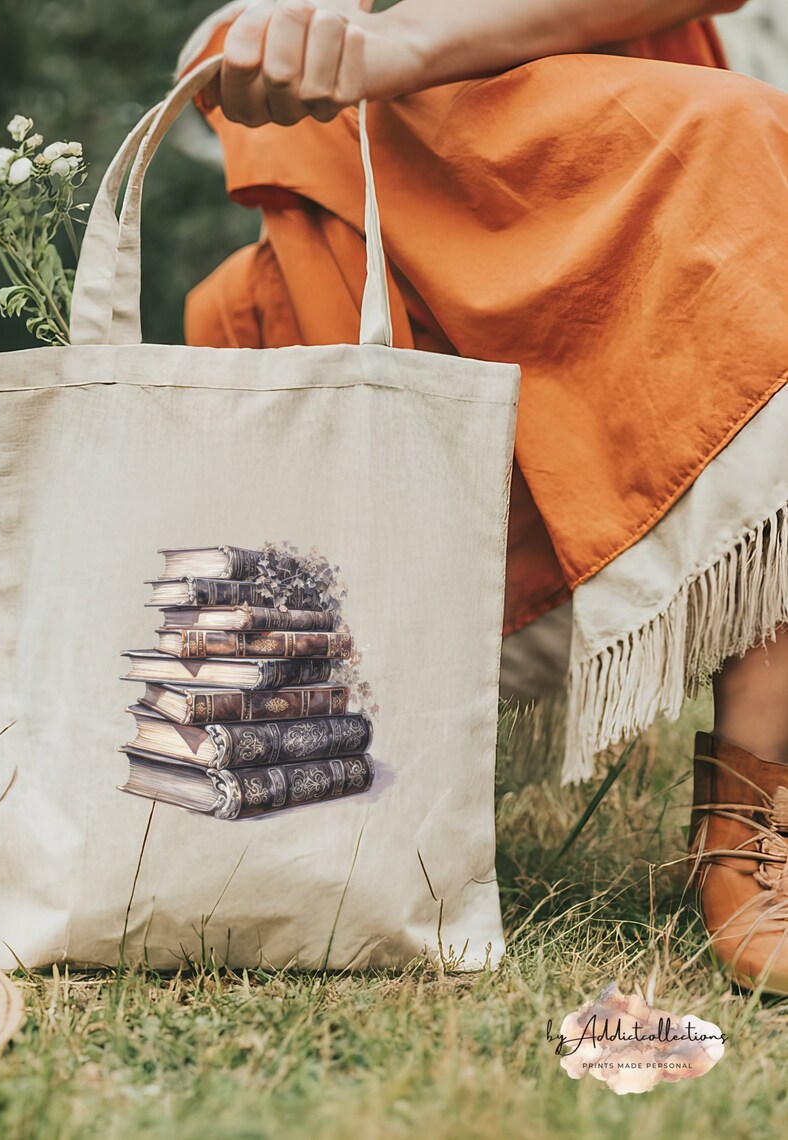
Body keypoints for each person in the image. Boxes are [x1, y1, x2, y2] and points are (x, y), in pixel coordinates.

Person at [175, 0, 788, 993]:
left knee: (745, 157)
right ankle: (320, 777)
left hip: (588, 66)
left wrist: (408, 40)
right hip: (386, 132)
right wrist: (264, 31)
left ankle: (759, 794)